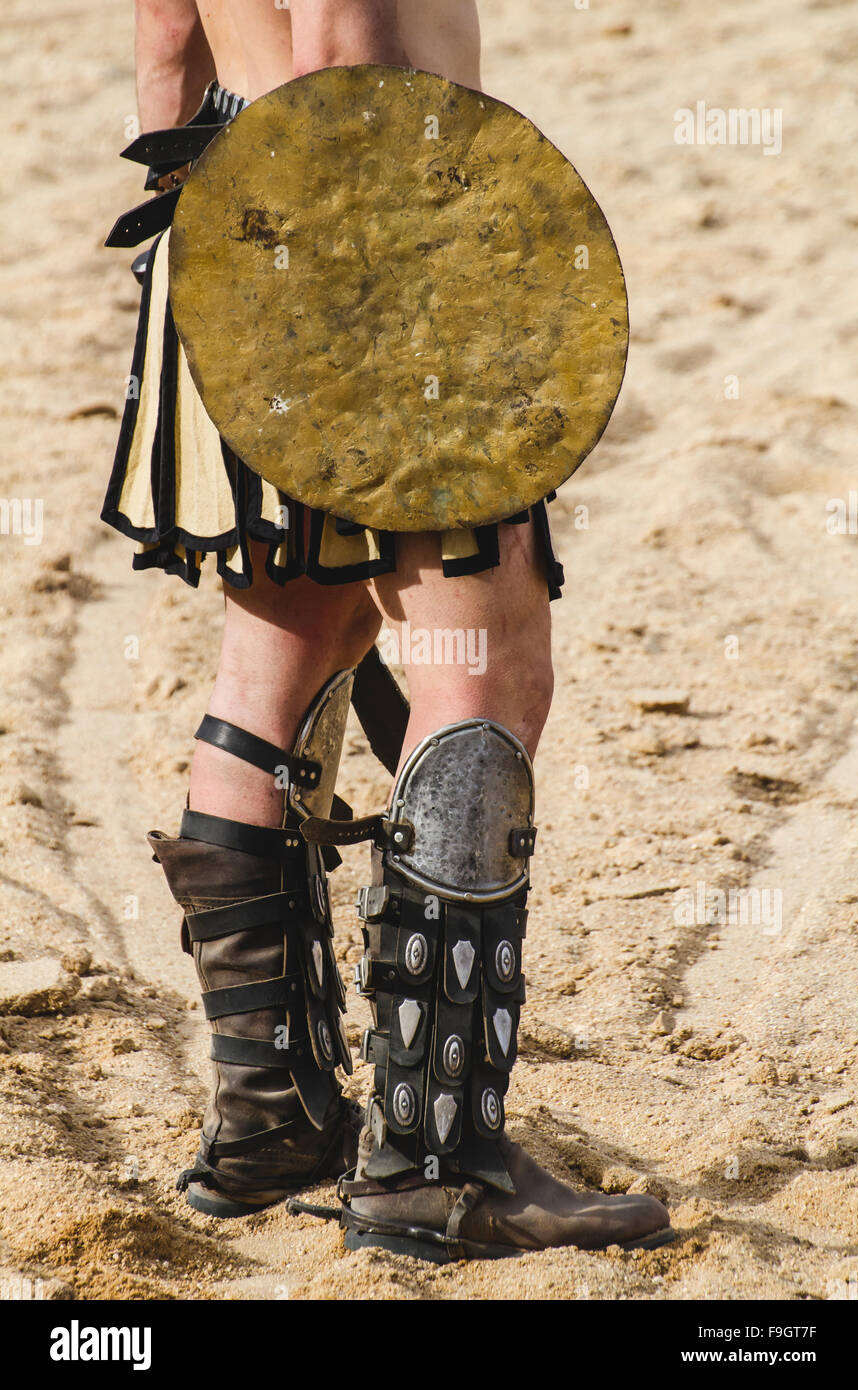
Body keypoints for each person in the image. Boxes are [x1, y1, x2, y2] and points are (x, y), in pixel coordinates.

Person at [102, 0, 673, 1260]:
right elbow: (345, 54)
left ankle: (272, 1126)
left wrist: (206, 275)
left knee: (281, 660)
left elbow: (163, 43)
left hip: (230, 205)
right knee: (482, 677)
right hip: (373, 218)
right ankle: (436, 1168)